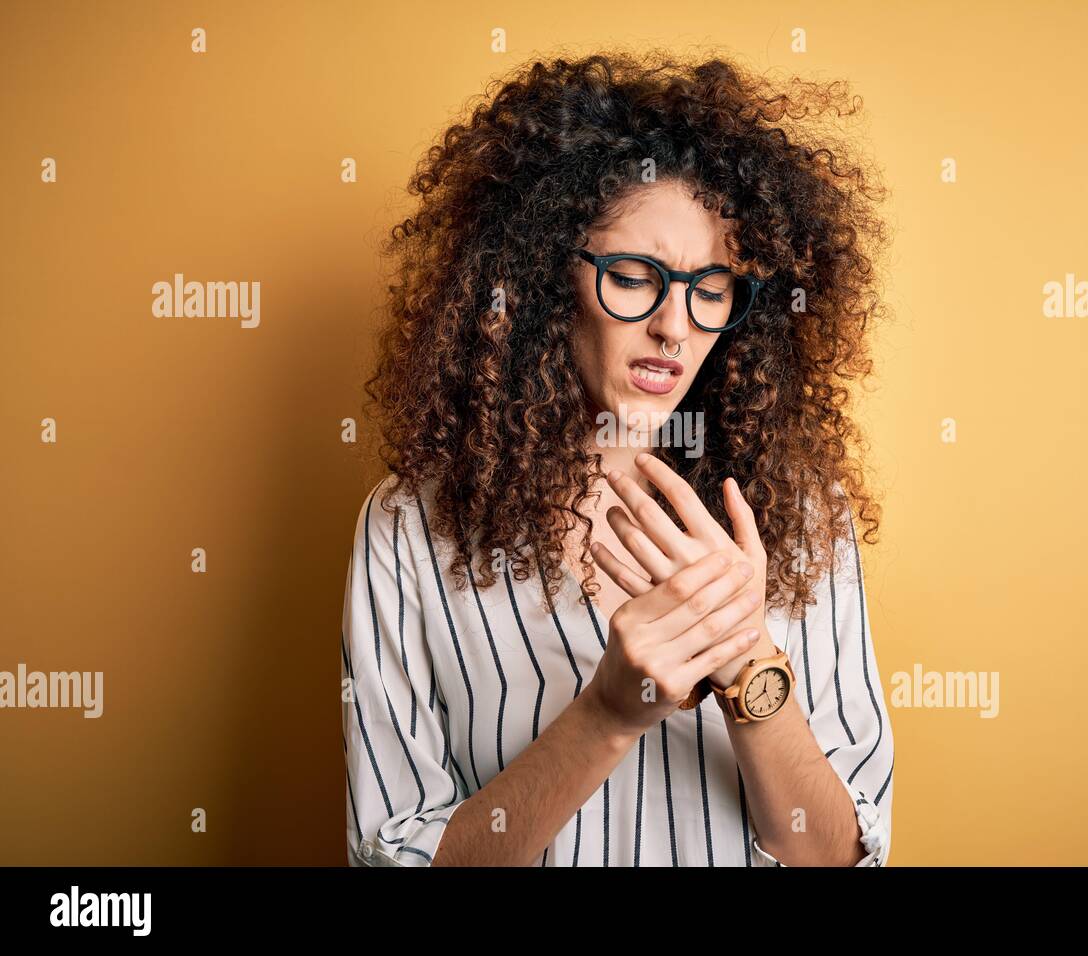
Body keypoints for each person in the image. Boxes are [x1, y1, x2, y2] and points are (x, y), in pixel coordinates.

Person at [341, 50, 894, 867]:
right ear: (537, 280)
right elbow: (391, 857)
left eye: (709, 289)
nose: (675, 326)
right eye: (635, 277)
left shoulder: (804, 514)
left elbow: (842, 858)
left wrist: (746, 659)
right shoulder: (410, 527)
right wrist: (607, 713)